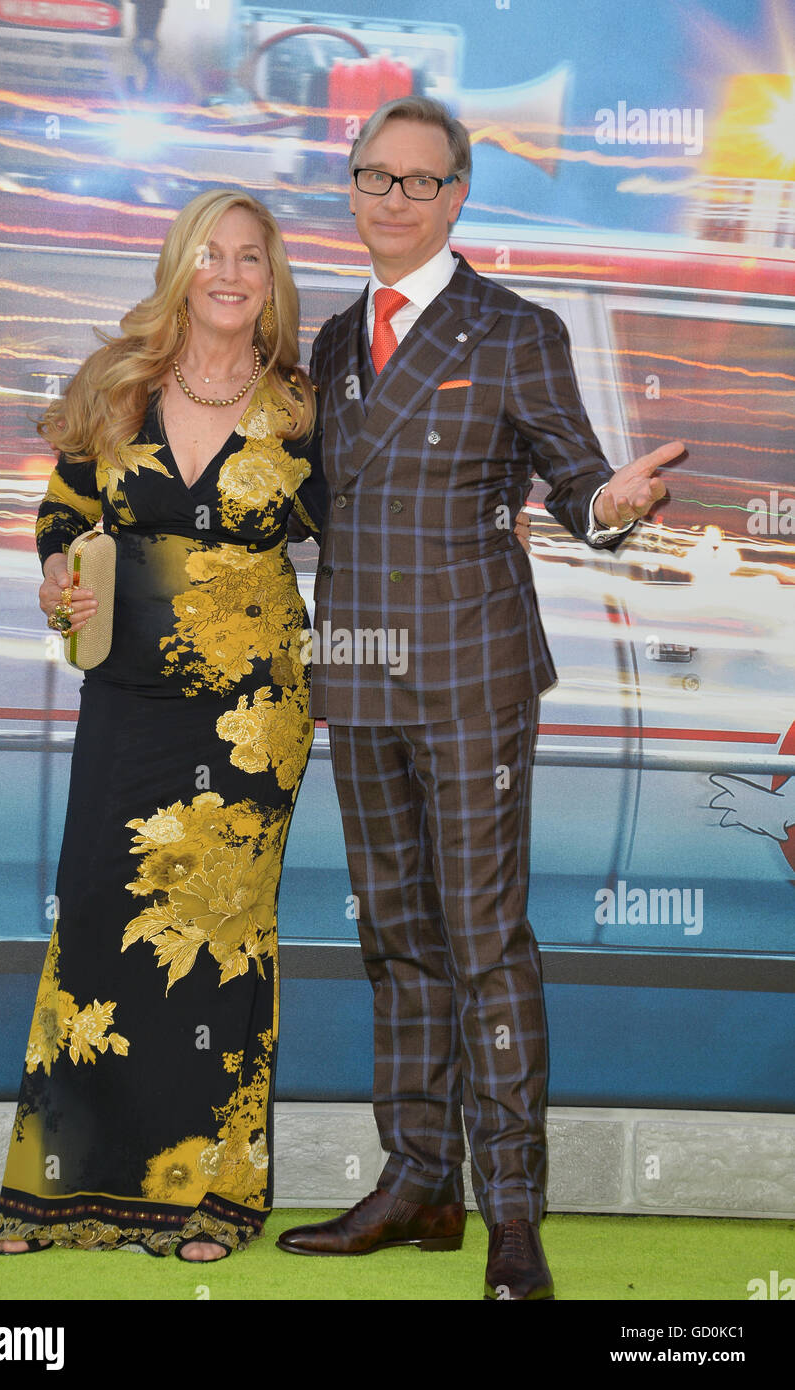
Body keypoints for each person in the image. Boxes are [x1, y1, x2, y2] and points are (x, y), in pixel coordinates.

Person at [276, 96, 683, 1299]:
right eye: (373, 177)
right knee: (395, 940)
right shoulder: (335, 344)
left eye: (418, 182)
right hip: (359, 673)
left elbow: (575, 478)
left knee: (483, 937)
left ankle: (512, 1209)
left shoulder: (515, 329)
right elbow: (300, 504)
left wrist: (608, 506)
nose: (392, 199)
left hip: (471, 674)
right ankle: (417, 1181)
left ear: (458, 198)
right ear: (350, 191)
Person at [0, 189, 327, 1261]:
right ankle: (60, 1194)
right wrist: (54, 572)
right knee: (96, 916)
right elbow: (60, 514)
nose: (230, 274)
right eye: (211, 254)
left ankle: (213, 1200)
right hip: (125, 698)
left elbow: (377, 524)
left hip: (251, 716)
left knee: (219, 935)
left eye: (252, 259)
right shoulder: (116, 386)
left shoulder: (306, 410)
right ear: (180, 267)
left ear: (273, 284)